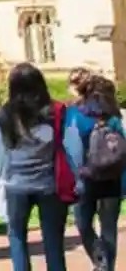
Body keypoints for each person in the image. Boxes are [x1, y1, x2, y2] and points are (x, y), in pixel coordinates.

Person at [0, 62, 82, 271]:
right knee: (53, 242)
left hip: (16, 184)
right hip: (49, 183)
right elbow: (72, 146)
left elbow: (0, 154)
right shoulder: (57, 111)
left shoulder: (4, 114)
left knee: (17, 237)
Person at [69, 75, 124, 271]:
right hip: (111, 179)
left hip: (85, 179)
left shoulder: (76, 114)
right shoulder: (114, 118)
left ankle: (100, 261)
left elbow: (71, 149)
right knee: (108, 229)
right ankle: (106, 266)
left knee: (84, 226)